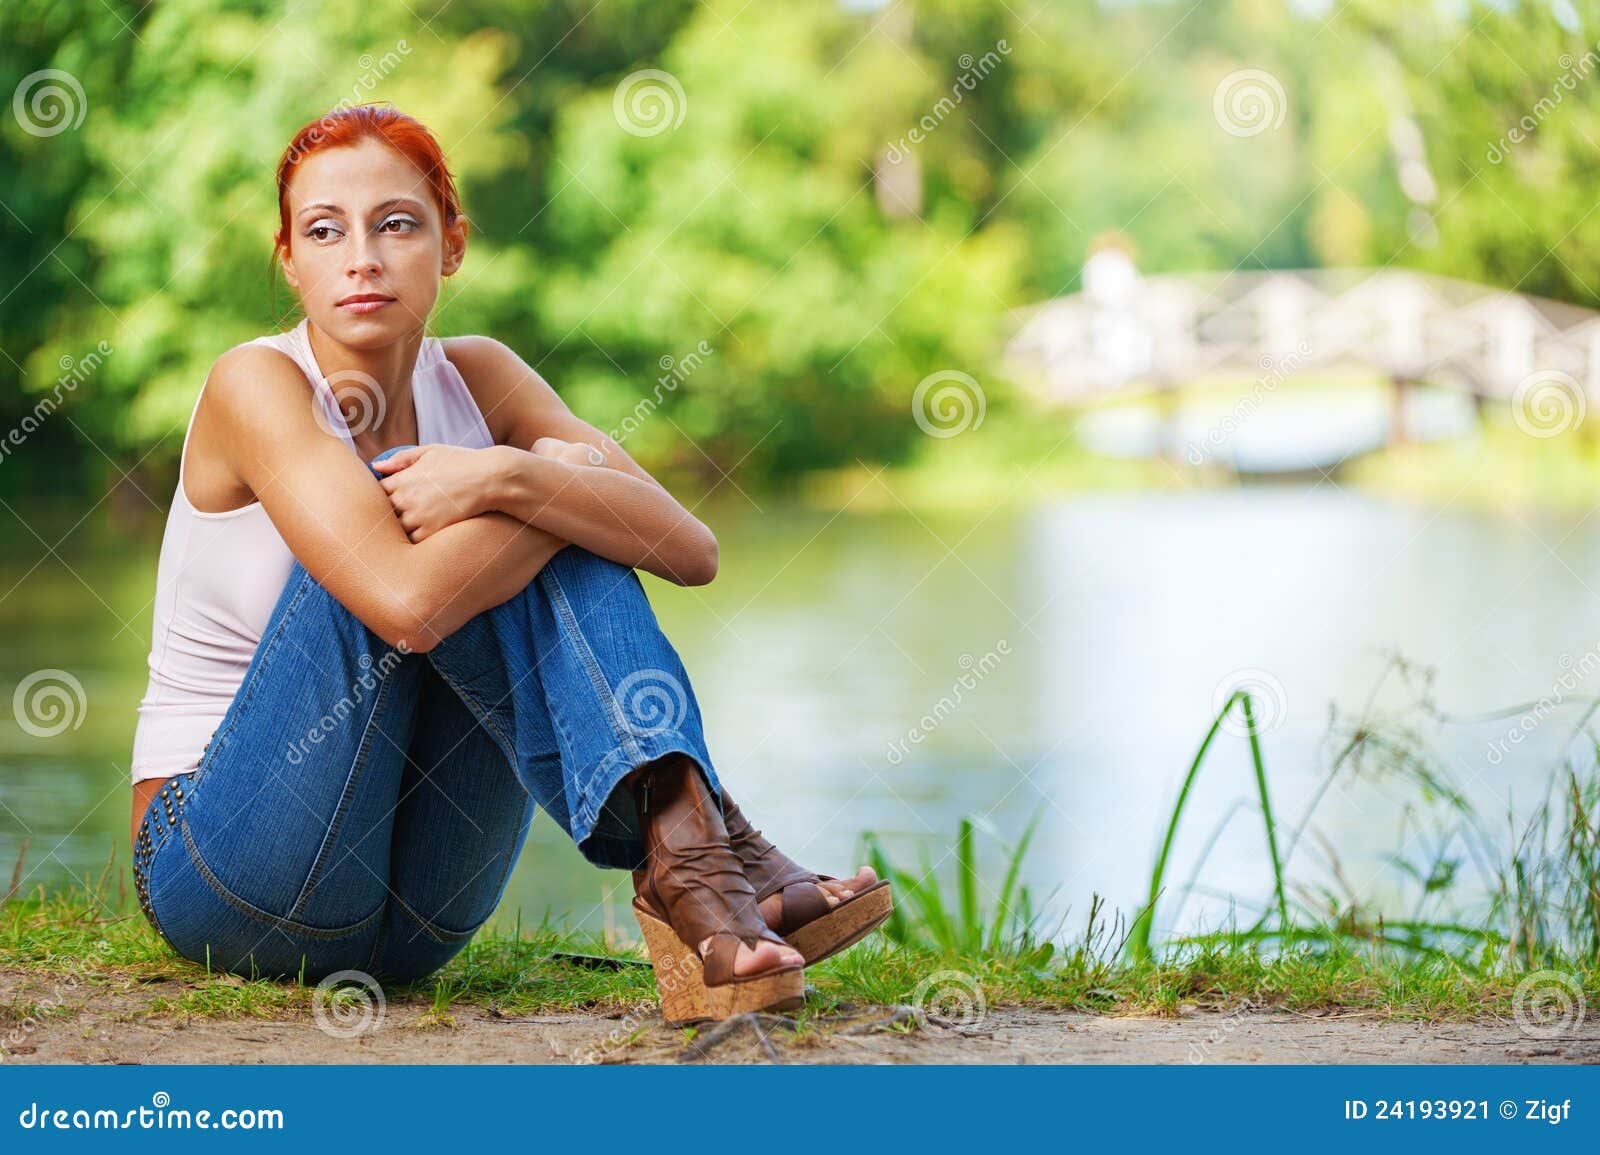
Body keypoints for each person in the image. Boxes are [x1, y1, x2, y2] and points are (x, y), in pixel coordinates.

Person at [128, 103, 891, 1023]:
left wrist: (510, 475)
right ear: (289, 259)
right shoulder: (255, 383)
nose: (361, 257)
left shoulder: (481, 378)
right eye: (325, 231)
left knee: (559, 512)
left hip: (417, 917)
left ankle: (697, 857)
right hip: (228, 876)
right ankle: (711, 860)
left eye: (396, 224)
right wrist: (549, 485)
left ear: (452, 244)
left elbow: (690, 548)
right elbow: (405, 606)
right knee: (508, 527)